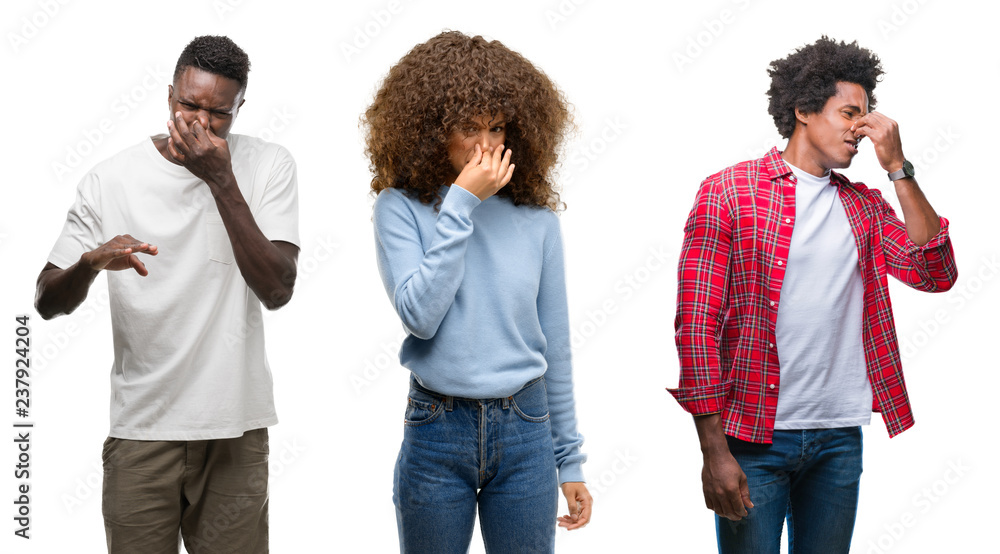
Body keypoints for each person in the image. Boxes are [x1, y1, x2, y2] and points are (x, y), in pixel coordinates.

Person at [668, 36, 957, 553]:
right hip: (753, 436)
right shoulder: (729, 192)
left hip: (839, 437)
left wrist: (899, 167)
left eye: (866, 117)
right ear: (803, 110)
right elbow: (696, 325)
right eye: (849, 112)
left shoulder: (865, 207)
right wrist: (713, 449)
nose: (860, 130)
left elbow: (935, 272)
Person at [35, 35, 299, 553]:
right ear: (169, 95)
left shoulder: (269, 165)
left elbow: (277, 288)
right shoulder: (111, 179)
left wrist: (222, 181)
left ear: (240, 107)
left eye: (218, 112)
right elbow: (46, 299)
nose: (199, 121)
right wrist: (90, 263)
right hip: (142, 430)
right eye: (188, 104)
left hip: (234, 429)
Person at [364, 30, 592, 552]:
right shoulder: (399, 208)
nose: (486, 145)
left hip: (526, 428)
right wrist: (461, 205)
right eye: (469, 128)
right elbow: (420, 316)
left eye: (496, 127)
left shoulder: (536, 219)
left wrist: (569, 460)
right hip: (437, 428)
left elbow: (554, 345)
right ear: (431, 129)